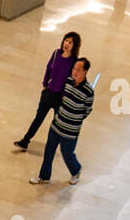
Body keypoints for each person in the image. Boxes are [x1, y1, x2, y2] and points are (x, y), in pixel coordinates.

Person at [29, 58, 94, 186]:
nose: (75, 72)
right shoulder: (68, 81)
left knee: (67, 154)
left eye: (78, 70)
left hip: (70, 131)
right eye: (74, 69)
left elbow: (87, 110)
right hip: (57, 124)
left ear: (85, 72)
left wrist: (74, 118)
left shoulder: (88, 91)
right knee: (49, 151)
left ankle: (76, 170)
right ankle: (44, 176)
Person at [13, 31, 81, 152]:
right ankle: (25, 141)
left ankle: (54, 148)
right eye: (66, 40)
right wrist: (44, 85)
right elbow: (48, 69)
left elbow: (72, 81)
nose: (67, 44)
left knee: (57, 126)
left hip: (60, 98)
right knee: (38, 119)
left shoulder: (74, 62)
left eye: (70, 42)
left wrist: (66, 97)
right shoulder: (56, 53)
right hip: (48, 94)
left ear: (74, 46)